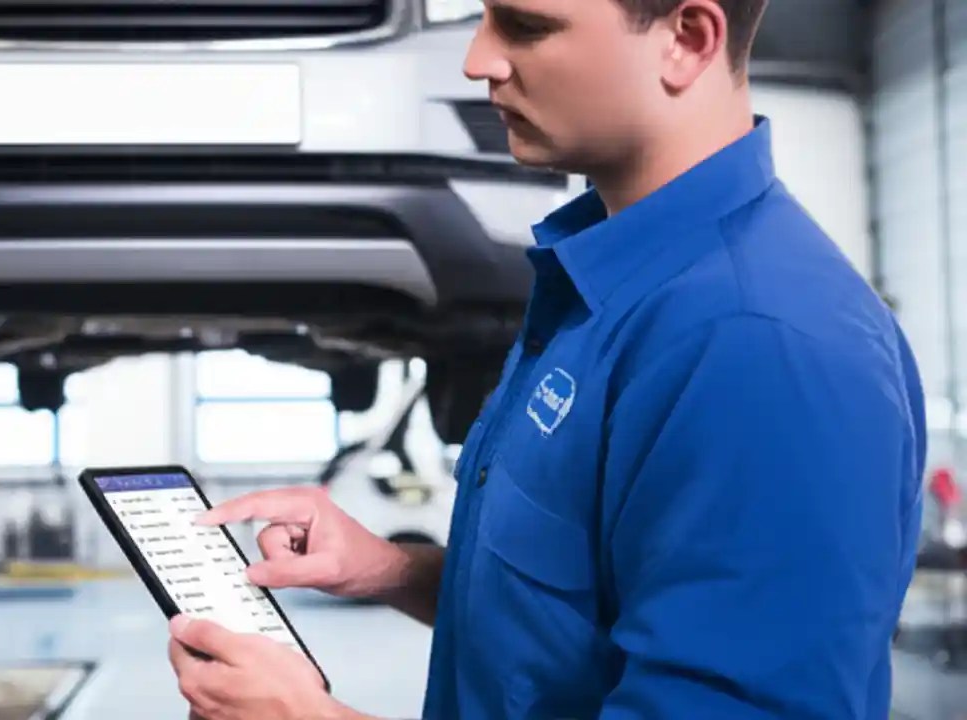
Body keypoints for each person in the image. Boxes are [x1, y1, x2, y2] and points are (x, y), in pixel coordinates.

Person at [164, 0, 928, 718]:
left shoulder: (757, 346)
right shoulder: (609, 284)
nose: (477, 60)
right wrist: (386, 568)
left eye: (526, 26)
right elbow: (576, 613)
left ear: (687, 40)